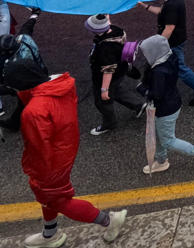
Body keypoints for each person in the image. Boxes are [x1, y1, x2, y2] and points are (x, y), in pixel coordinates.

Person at [0, 31, 127, 247]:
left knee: (58, 200)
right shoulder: (59, 87)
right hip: (65, 148)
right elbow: (33, 92)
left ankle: (108, 220)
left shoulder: (33, 112)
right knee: (49, 198)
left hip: (50, 163)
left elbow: (38, 148)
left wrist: (31, 169)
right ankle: (50, 234)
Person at [134, 35, 194, 174]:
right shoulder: (169, 58)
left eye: (147, 52)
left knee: (168, 140)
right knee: (160, 134)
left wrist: (142, 89)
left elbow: (156, 94)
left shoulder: (158, 71)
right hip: (172, 102)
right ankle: (161, 160)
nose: (145, 55)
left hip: (165, 109)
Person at [137, 0, 194, 106]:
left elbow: (169, 28)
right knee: (168, 66)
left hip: (173, 43)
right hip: (176, 41)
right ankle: (155, 88)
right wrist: (145, 6)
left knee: (180, 69)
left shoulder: (172, 5)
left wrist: (158, 46)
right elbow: (160, 11)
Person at [84, 14, 146, 136]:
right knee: (116, 89)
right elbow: (107, 22)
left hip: (106, 76)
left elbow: (108, 70)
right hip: (121, 69)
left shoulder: (106, 47)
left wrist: (104, 89)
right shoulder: (116, 30)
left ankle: (109, 123)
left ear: (96, 31)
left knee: (102, 101)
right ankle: (138, 105)